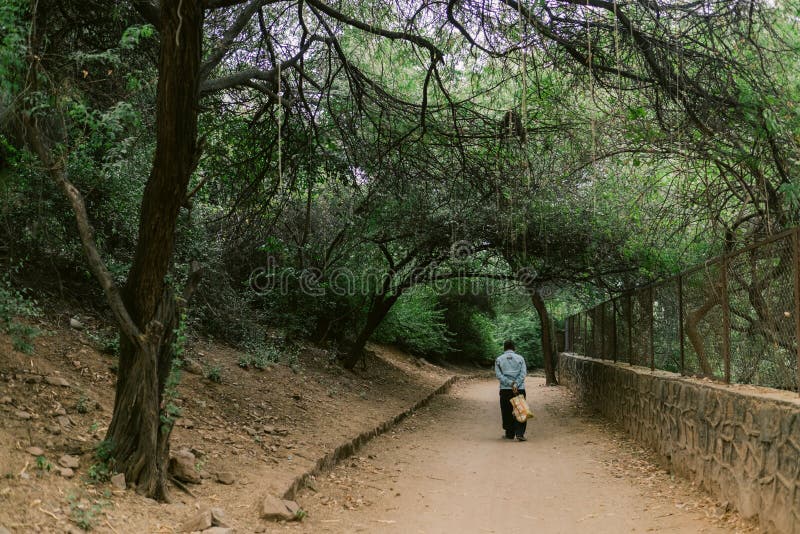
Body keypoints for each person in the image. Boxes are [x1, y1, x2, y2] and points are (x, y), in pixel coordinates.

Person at [495, 340, 527, 441]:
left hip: (505, 389)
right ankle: (520, 434)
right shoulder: (520, 358)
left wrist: (509, 383)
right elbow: (523, 373)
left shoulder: (499, 359)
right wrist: (516, 384)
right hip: (519, 389)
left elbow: (498, 375)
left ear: (504, 348)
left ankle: (509, 433)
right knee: (521, 410)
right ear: (514, 348)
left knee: (506, 411)